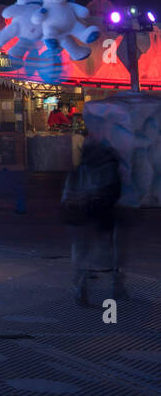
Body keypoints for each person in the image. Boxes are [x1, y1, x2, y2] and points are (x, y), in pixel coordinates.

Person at [61, 129, 123, 306]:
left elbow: (68, 195)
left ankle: (82, 288)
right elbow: (115, 192)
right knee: (106, 251)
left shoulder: (79, 170)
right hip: (101, 215)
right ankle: (112, 288)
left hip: (81, 215)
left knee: (82, 251)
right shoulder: (109, 168)